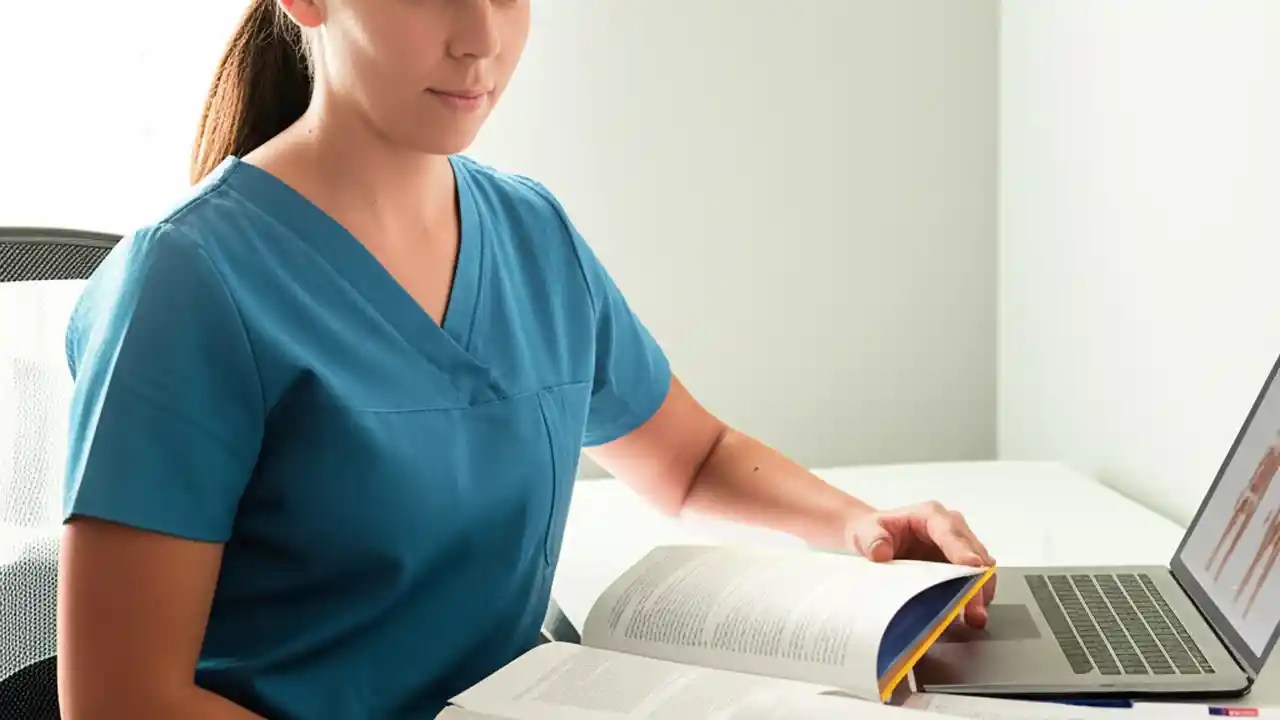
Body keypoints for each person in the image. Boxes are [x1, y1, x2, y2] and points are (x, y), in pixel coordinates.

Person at [55, 1, 996, 718]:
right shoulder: (188, 282)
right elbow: (122, 703)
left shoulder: (530, 231)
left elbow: (689, 456)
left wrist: (862, 526)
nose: (480, 39)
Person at [1206, 429, 1280, 580]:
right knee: (1230, 527)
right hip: (1251, 492)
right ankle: (1213, 559)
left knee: (1237, 535)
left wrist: (1261, 503)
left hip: (1259, 499)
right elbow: (1257, 471)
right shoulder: (1271, 451)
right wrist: (1247, 490)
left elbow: (1271, 485)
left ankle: (1220, 568)